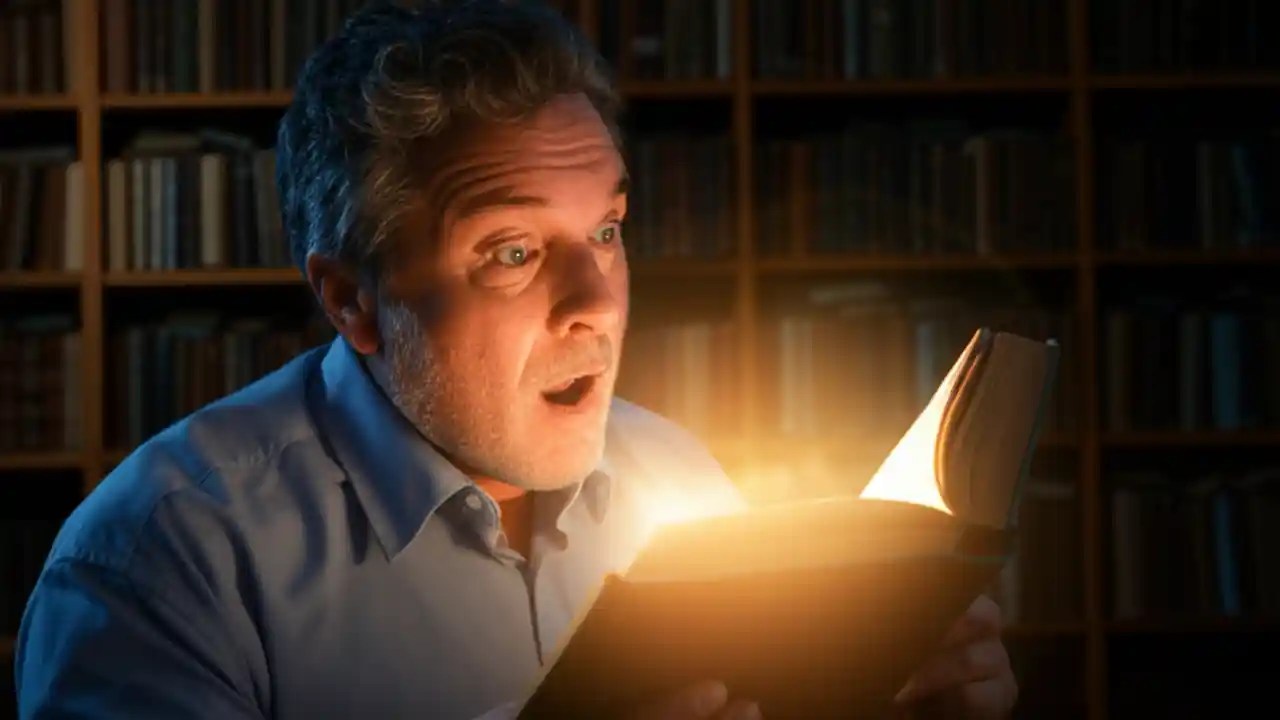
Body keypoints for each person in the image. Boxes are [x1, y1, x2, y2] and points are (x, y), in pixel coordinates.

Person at [14, 1, 1017, 718]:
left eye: (609, 230)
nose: (598, 304)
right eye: (512, 252)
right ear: (353, 300)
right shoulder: (161, 562)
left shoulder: (682, 480)